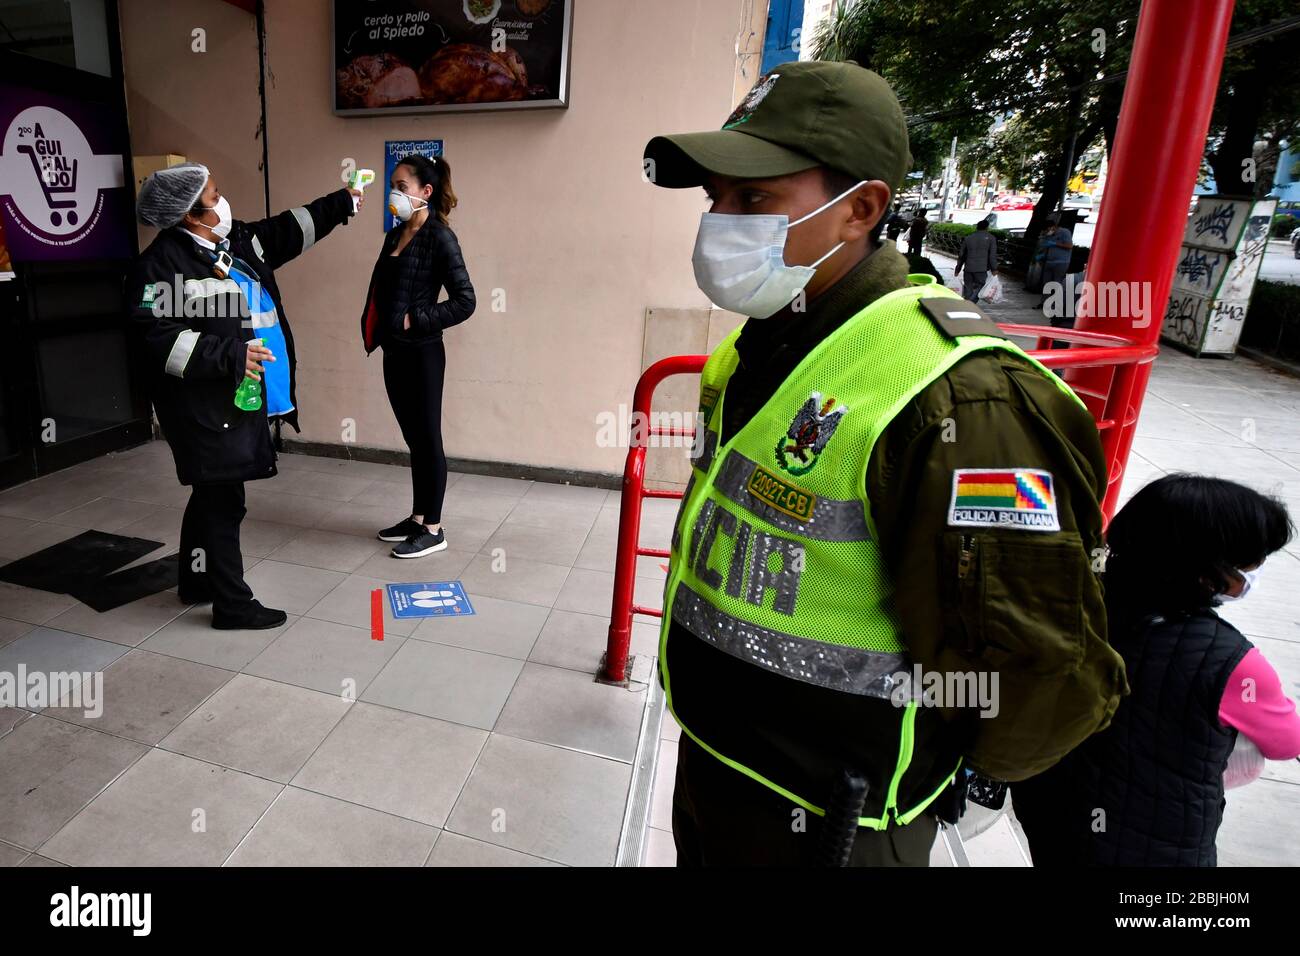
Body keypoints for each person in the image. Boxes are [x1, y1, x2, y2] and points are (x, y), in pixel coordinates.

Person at [643, 60, 1125, 867]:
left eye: (755, 200)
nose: (720, 222)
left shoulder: (959, 398)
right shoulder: (765, 342)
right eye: (715, 199)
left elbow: (1032, 663)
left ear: (861, 208)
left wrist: (941, 779)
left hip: (840, 825)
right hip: (722, 770)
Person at [1013, 474, 1300, 866]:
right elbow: (1286, 741)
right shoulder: (1233, 663)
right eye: (1251, 561)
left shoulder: (1068, 612)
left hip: (1055, 819)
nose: (1256, 571)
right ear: (1206, 571)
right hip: (1161, 846)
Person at [129, 163, 359, 629]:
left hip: (232, 399)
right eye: (215, 196)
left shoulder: (234, 244)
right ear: (190, 215)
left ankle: (196, 581)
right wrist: (230, 357)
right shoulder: (159, 269)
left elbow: (287, 230)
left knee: (209, 489)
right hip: (199, 406)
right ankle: (232, 604)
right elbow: (153, 337)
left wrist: (343, 201)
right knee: (223, 498)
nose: (223, 201)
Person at [358, 154, 475, 558]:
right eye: (393, 185)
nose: (394, 193)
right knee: (413, 439)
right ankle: (417, 516)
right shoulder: (395, 235)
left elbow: (466, 301)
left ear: (425, 192)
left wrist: (417, 318)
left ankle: (435, 528)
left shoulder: (440, 237)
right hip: (395, 353)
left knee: (428, 439)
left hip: (423, 353)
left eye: (401, 186)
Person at [954, 218, 998, 303]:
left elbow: (961, 255)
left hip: (968, 268)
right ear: (987, 227)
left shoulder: (968, 238)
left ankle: (968, 303)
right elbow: (992, 256)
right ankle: (970, 303)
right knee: (980, 287)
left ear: (977, 227)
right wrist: (994, 269)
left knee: (968, 289)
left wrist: (957, 269)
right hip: (981, 269)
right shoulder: (991, 238)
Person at [1035, 213, 1073, 309]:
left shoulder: (1065, 232)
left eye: (1048, 229)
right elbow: (1045, 246)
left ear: (1053, 227)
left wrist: (1055, 244)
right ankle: (1043, 303)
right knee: (1046, 283)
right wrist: (1041, 256)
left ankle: (1056, 304)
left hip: (1061, 262)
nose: (1047, 231)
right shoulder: (1048, 235)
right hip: (1048, 262)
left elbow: (1069, 246)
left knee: (1057, 283)